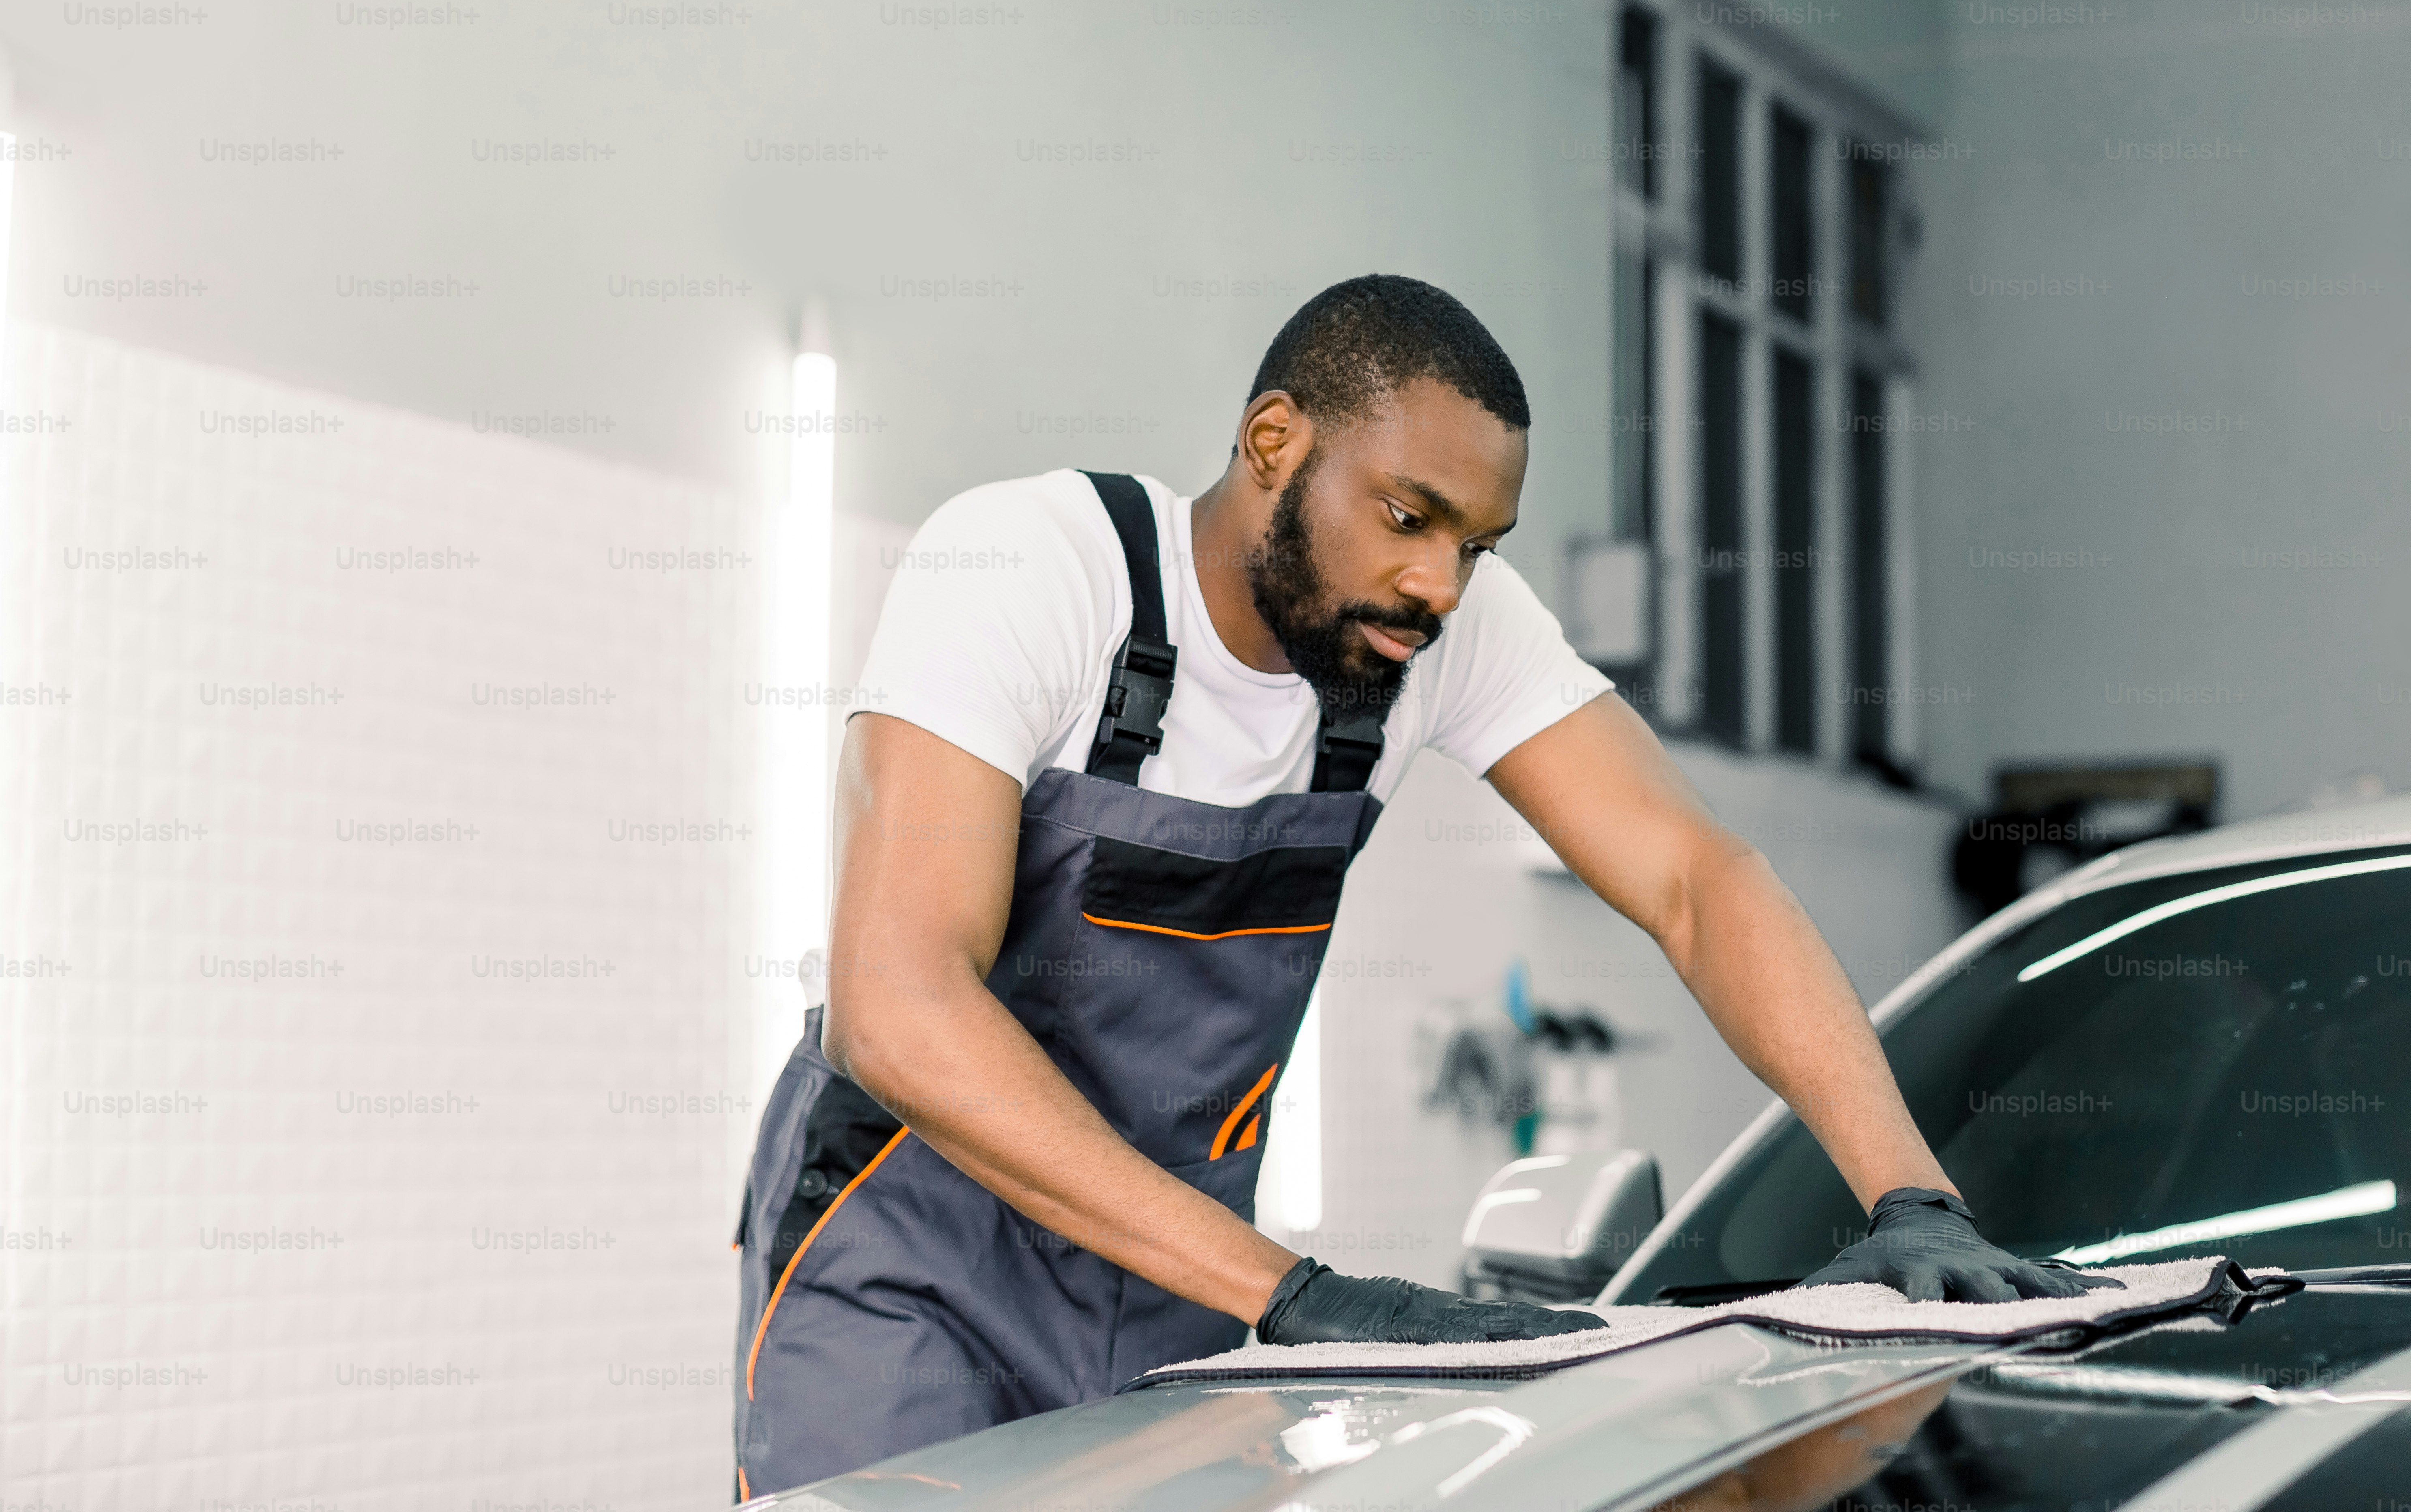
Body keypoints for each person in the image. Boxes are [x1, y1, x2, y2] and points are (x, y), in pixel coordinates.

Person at [732, 275, 2106, 1497]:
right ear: (1274, 445)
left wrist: (1906, 1197)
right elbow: (897, 1006)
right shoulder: (1036, 567)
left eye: (1479, 544)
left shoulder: (1425, 633)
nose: (1437, 581)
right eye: (1407, 516)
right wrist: (1303, 1295)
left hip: (1171, 1274)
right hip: (909, 1265)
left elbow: (1700, 880)